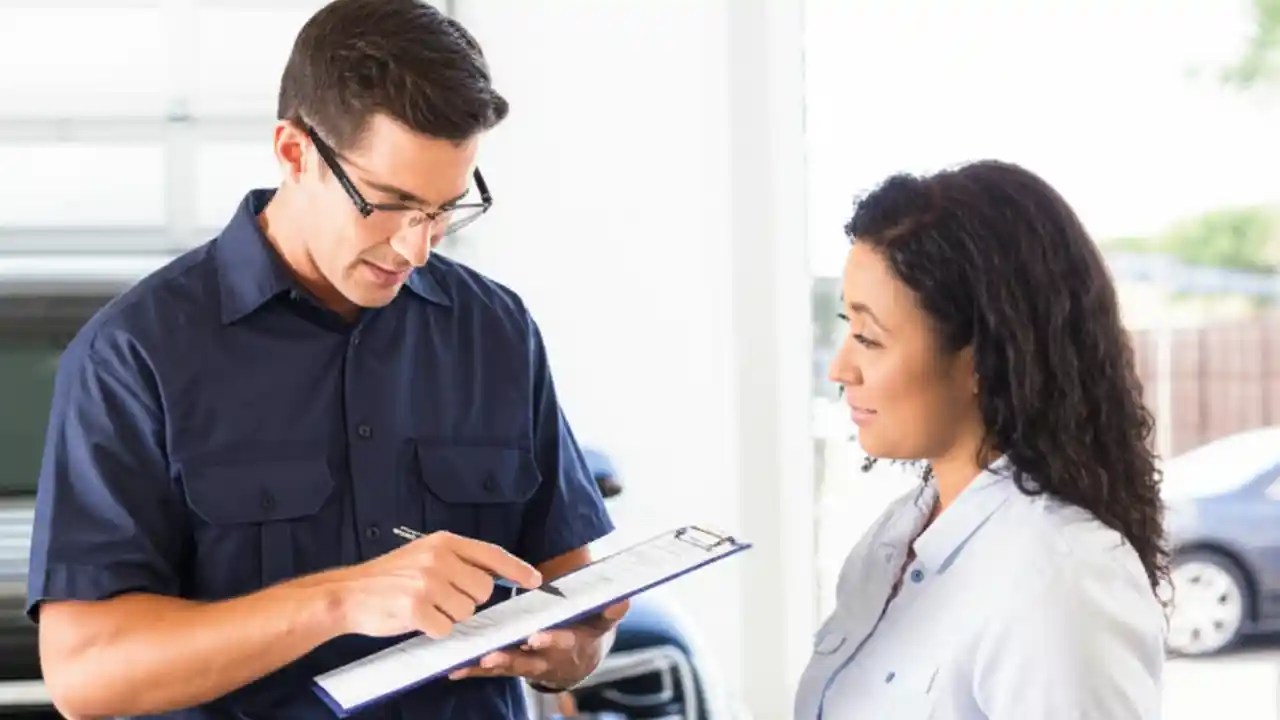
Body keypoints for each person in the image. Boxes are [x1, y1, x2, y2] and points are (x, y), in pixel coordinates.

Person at [26, 1, 626, 717]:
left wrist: (569, 653)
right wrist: (342, 599)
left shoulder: (495, 329)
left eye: (443, 209)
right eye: (387, 202)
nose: (417, 248)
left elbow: (569, 598)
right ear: (293, 151)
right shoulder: (133, 355)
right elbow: (86, 675)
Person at [795, 160, 1168, 719]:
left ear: (982, 360)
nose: (841, 368)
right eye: (848, 326)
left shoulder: (1059, 578)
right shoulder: (895, 539)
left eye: (870, 338)